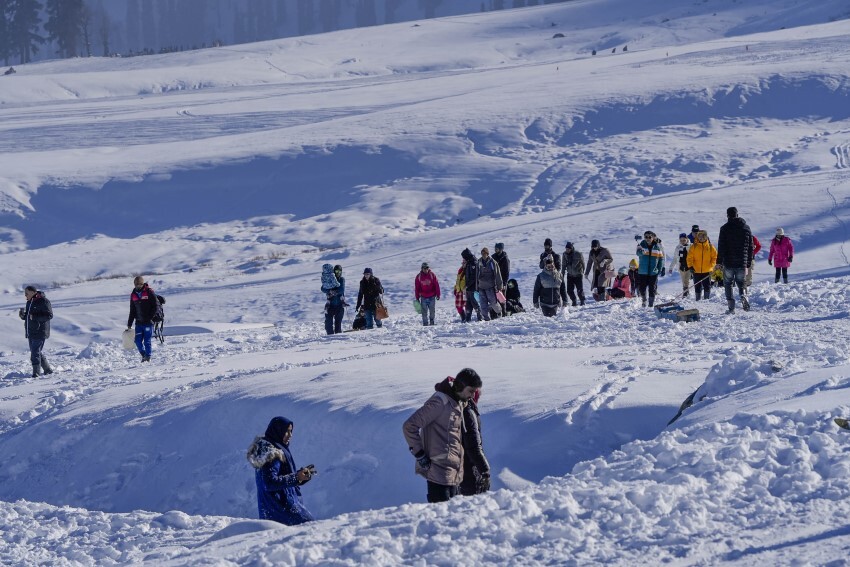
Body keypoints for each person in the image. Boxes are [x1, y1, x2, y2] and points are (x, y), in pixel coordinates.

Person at [402, 368, 483, 503]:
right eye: (470, 391)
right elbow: (409, 426)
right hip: (439, 473)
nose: (472, 396)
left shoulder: (458, 403)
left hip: (455, 475)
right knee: (441, 520)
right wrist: (420, 454)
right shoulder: (440, 402)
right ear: (461, 386)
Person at [247, 416, 316, 525]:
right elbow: (269, 483)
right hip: (281, 509)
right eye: (286, 431)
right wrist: (296, 477)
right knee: (310, 526)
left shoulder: (270, 449)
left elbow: (279, 477)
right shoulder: (272, 455)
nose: (290, 435)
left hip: (274, 508)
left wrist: (300, 476)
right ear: (278, 431)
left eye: (291, 431)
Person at [717, 206, 753, 313]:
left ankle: (731, 307)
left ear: (727, 215)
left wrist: (719, 262)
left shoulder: (724, 228)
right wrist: (748, 263)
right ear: (737, 214)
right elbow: (751, 246)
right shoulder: (746, 228)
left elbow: (721, 246)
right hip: (742, 262)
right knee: (741, 283)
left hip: (728, 262)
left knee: (728, 283)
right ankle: (743, 296)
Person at [459, 388, 490, 497]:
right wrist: (484, 471)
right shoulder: (468, 412)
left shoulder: (460, 410)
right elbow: (473, 446)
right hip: (469, 469)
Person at [20, 286, 54, 377]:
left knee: (35, 352)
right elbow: (29, 316)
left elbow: (49, 315)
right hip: (31, 331)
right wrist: (23, 316)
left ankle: (36, 373)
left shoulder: (44, 301)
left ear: (32, 292)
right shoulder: (29, 302)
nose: (25, 295)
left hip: (40, 331)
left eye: (26, 293)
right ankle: (47, 369)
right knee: (36, 351)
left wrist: (35, 316)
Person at [127, 276, 159, 362]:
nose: (138, 286)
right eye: (136, 285)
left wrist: (150, 317)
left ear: (142, 284)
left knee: (147, 341)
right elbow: (132, 310)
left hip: (148, 322)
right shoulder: (133, 294)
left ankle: (148, 357)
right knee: (137, 341)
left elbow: (155, 306)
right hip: (139, 323)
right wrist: (129, 323)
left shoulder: (149, 292)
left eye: (140, 284)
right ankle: (143, 354)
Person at [636, 231, 665, 307]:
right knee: (642, 288)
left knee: (652, 288)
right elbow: (638, 253)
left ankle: (651, 304)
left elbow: (661, 259)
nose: (648, 238)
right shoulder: (641, 245)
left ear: (653, 238)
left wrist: (659, 269)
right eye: (646, 237)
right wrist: (641, 252)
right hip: (643, 271)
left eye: (649, 237)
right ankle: (644, 299)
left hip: (653, 271)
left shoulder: (657, 247)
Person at [687, 230, 717, 301]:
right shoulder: (694, 246)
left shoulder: (710, 247)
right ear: (698, 237)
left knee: (707, 286)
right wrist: (690, 266)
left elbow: (714, 257)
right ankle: (698, 299)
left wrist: (711, 266)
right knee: (697, 286)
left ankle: (706, 299)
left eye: (703, 236)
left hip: (707, 270)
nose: (701, 238)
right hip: (696, 270)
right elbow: (689, 258)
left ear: (706, 237)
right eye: (700, 237)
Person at [476, 247, 503, 320]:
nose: (483, 255)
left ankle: (499, 312)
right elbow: (476, 275)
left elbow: (498, 274)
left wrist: (499, 286)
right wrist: (476, 286)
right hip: (481, 287)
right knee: (483, 305)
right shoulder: (479, 262)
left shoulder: (492, 262)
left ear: (487, 254)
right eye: (482, 253)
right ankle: (486, 319)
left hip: (490, 287)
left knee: (493, 303)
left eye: (484, 253)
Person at [321, 264, 346, 335]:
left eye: (339, 271)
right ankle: (330, 337)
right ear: (333, 272)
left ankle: (337, 340)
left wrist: (334, 291)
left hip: (340, 305)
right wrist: (329, 291)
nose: (338, 273)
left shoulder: (341, 279)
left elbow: (341, 290)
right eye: (336, 271)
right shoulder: (329, 279)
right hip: (330, 305)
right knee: (328, 324)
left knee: (338, 324)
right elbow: (323, 288)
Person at [561, 242, 586, 307]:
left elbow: (583, 263)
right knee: (569, 290)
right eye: (566, 249)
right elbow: (563, 265)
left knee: (580, 290)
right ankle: (574, 300)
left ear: (571, 249)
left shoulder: (578, 254)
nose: (567, 250)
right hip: (570, 275)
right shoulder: (564, 254)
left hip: (578, 275)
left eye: (568, 249)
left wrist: (583, 271)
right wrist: (562, 274)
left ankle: (582, 301)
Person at [461, 248, 483, 322]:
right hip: (469, 287)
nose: (463, 259)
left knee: (475, 303)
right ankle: (468, 318)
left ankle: (480, 317)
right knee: (468, 303)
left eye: (464, 257)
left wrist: (467, 285)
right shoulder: (469, 262)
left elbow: (474, 277)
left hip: (473, 287)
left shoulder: (474, 262)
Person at [671, 233, 691, 297]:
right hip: (681, 267)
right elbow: (675, 258)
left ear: (687, 239)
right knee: (683, 281)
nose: (682, 242)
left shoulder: (691, 246)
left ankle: (685, 293)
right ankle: (686, 291)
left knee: (687, 281)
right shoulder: (678, 248)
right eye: (681, 240)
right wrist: (671, 267)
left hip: (689, 266)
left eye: (684, 240)